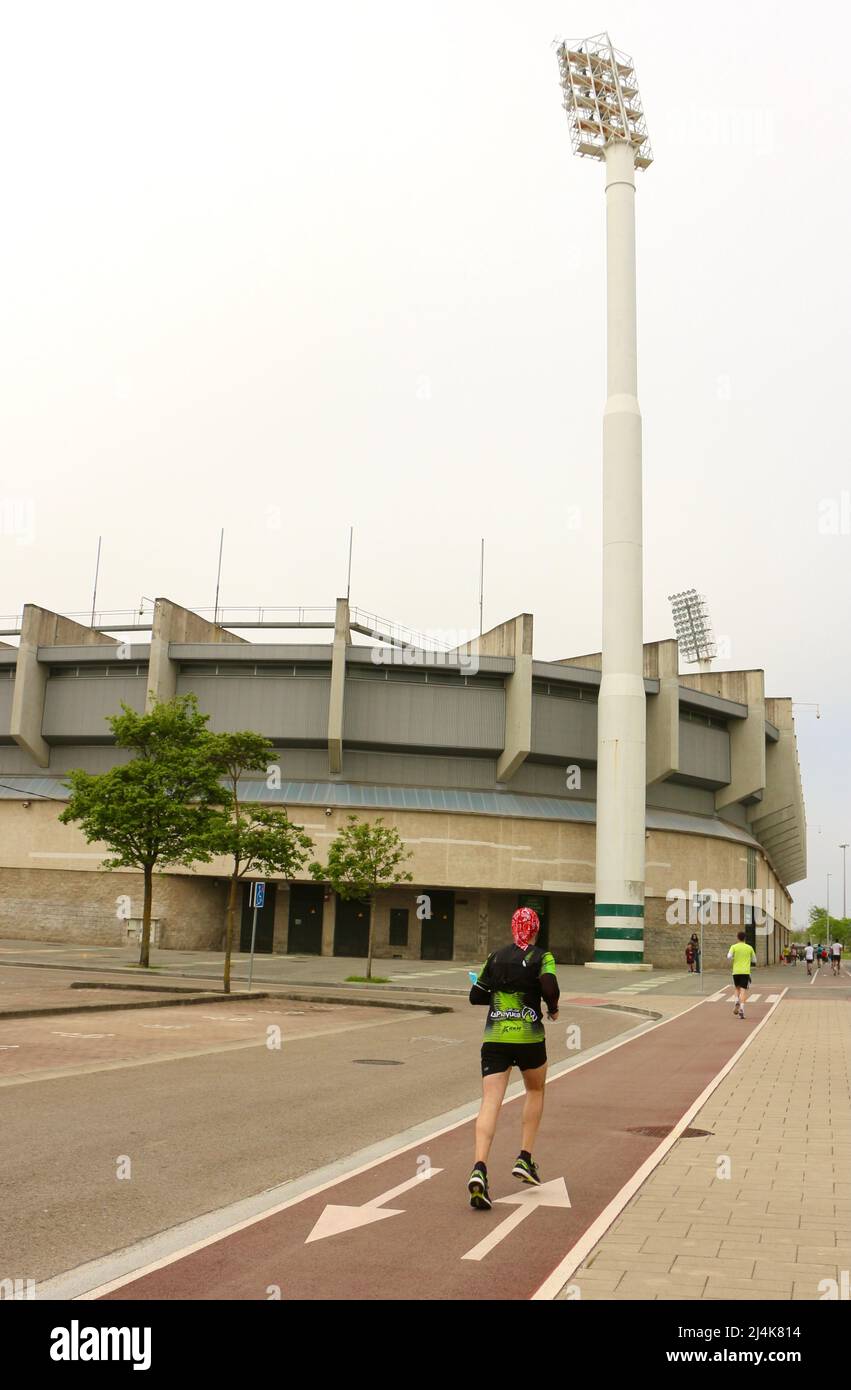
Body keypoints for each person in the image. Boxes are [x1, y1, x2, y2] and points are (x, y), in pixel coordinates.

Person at [467, 907, 560, 1210]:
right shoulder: (542, 957)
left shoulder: (495, 957)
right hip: (528, 1038)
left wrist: (497, 988)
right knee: (535, 1090)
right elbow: (548, 985)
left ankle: (479, 1166)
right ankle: (525, 1157)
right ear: (535, 930)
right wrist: (553, 1007)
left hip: (495, 1039)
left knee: (490, 1101)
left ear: (512, 929)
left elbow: (475, 996)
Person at [727, 930, 757, 1020]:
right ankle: (742, 1010)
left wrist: (734, 957)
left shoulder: (734, 947)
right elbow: (755, 960)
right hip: (745, 972)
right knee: (743, 990)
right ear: (745, 938)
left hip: (736, 971)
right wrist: (748, 959)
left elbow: (728, 956)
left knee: (737, 988)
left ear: (737, 938)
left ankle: (736, 1001)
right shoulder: (749, 947)